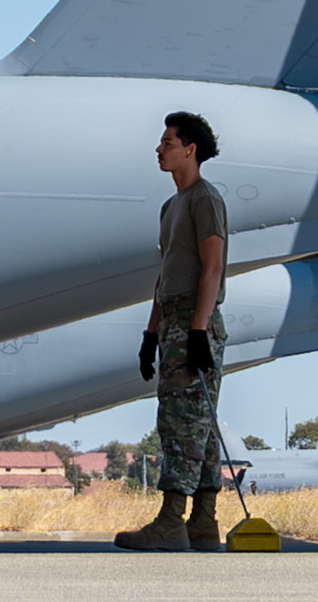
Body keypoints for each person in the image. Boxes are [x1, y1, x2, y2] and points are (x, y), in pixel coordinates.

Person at [113, 109, 227, 552]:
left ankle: (171, 520)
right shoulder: (171, 206)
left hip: (194, 322)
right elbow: (167, 272)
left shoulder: (205, 199)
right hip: (174, 320)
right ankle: (203, 521)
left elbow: (212, 266)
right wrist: (150, 332)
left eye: (167, 142)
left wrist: (198, 330)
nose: (159, 149)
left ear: (190, 150)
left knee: (181, 422)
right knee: (200, 423)